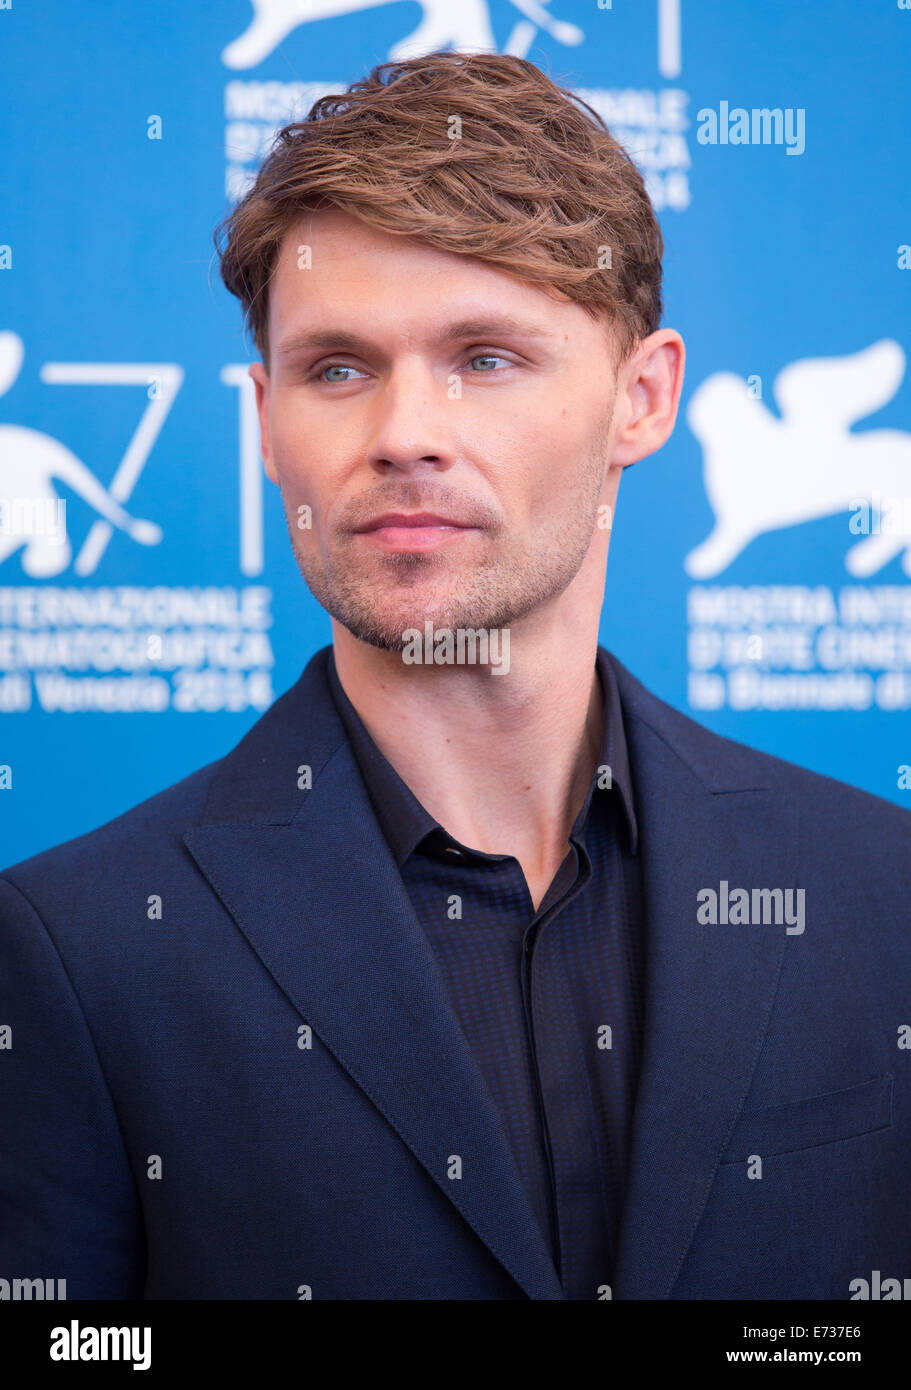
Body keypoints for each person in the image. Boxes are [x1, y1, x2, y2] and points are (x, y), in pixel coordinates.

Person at [2, 51, 909, 1302]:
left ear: (640, 400)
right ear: (265, 418)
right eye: (337, 368)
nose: (402, 434)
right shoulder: (73, 949)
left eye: (485, 357)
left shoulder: (880, 892)